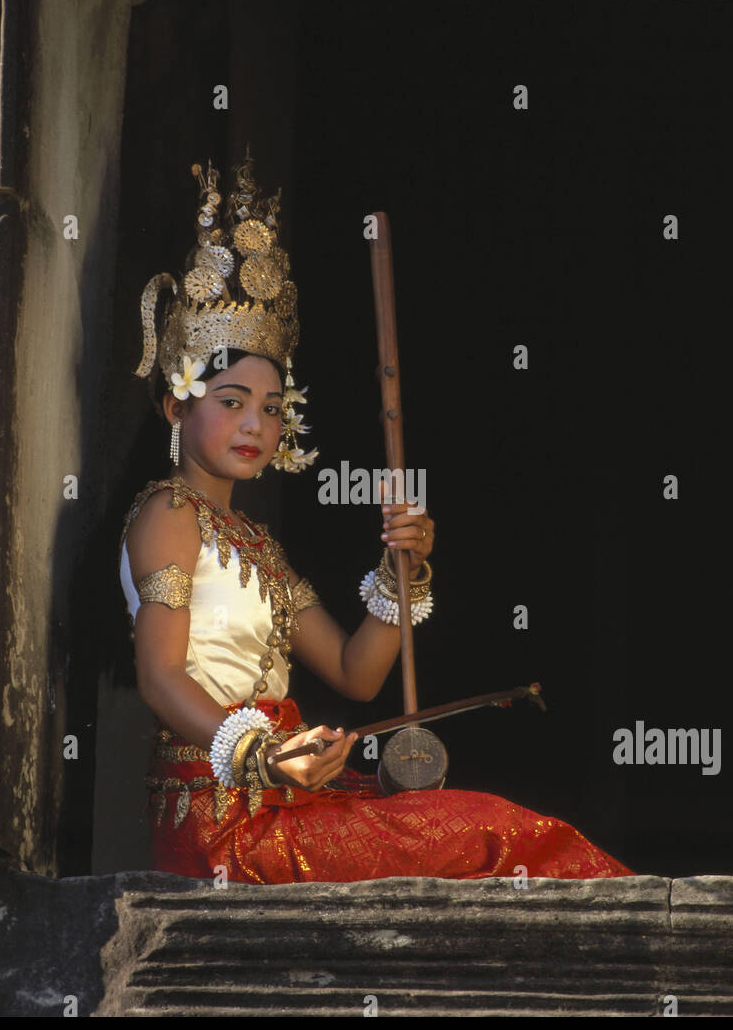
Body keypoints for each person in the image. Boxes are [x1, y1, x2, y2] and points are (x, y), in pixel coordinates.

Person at [121, 151, 632, 884]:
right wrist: (263, 753)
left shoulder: (254, 545)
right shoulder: (169, 513)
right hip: (222, 823)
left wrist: (401, 575)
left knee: (489, 828)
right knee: (492, 834)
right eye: (230, 402)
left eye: (271, 410)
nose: (254, 425)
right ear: (177, 406)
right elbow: (160, 677)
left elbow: (357, 675)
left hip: (278, 804)